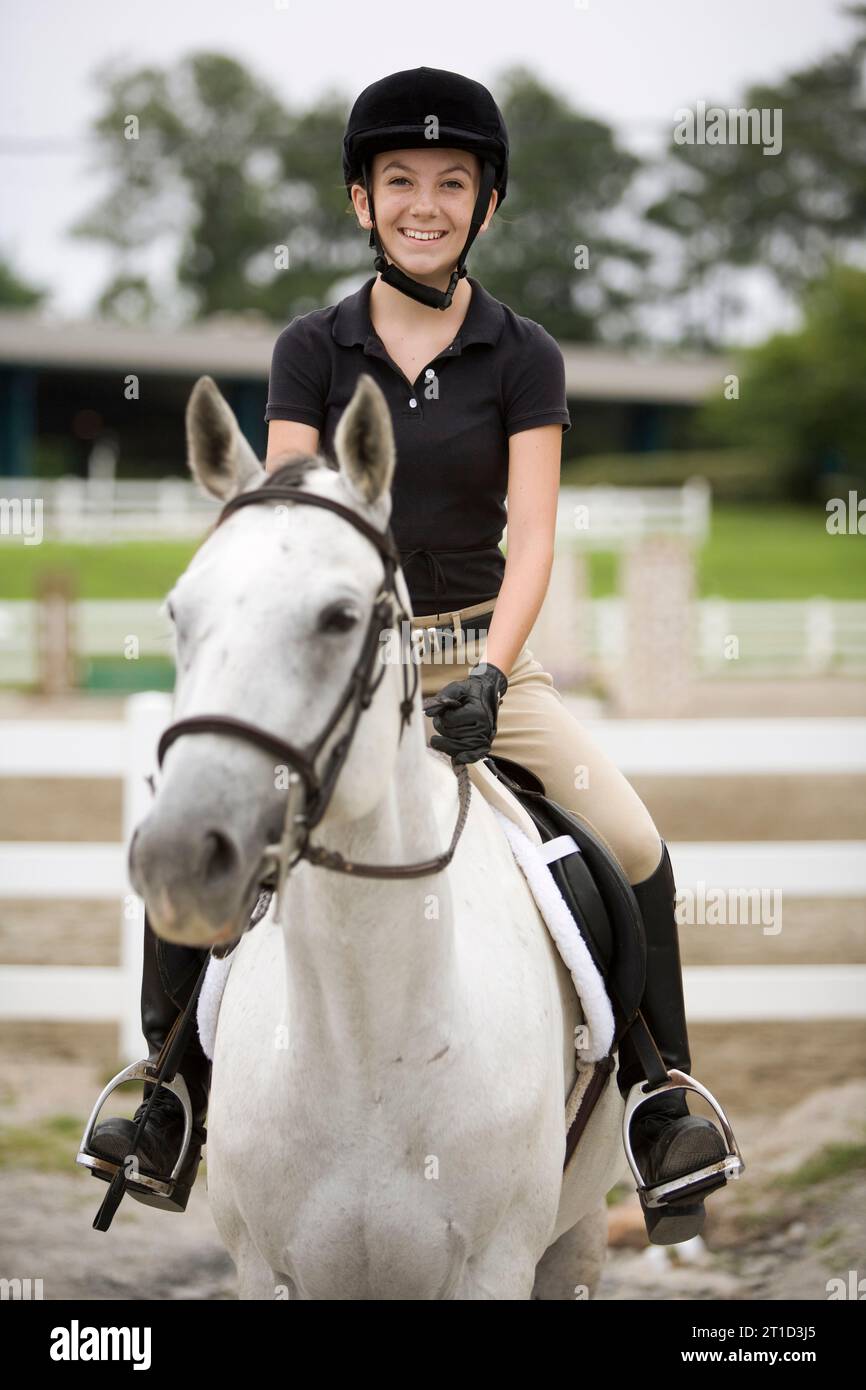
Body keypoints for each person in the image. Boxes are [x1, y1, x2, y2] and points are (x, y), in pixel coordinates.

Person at [86, 66, 733, 1244]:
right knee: (214, 812)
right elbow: (282, 520)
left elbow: (530, 533)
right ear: (361, 200)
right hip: (336, 673)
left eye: (450, 182)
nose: (423, 202)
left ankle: (658, 1100)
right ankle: (168, 1092)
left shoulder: (522, 354)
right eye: (399, 181)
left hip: (479, 661)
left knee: (628, 840)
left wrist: (490, 668)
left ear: (485, 203)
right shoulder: (312, 345)